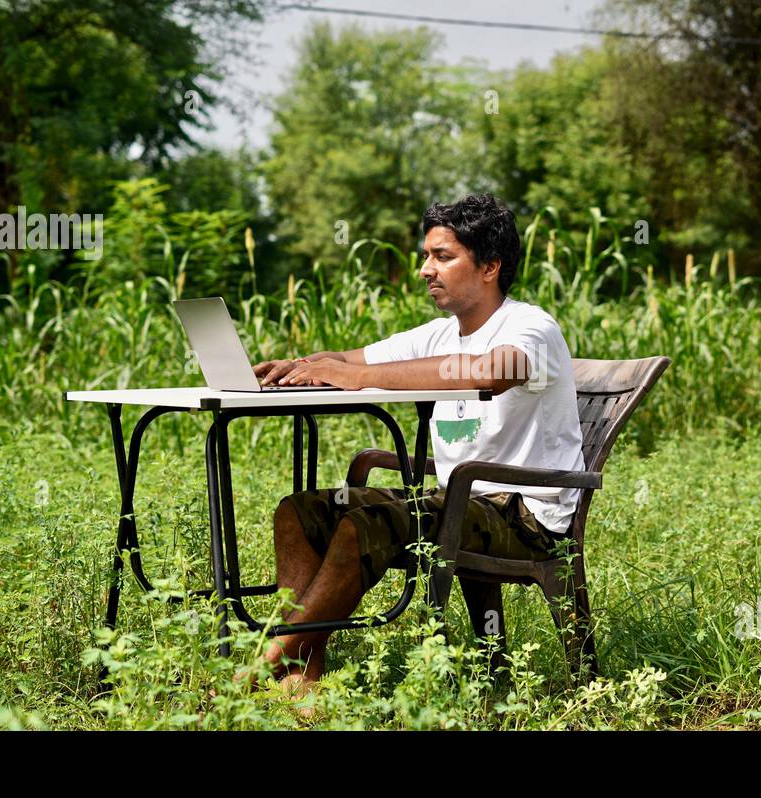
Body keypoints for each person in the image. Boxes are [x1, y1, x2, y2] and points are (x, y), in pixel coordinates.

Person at [246, 193, 585, 697]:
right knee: (301, 511)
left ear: (490, 266)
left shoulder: (529, 327)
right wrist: (302, 365)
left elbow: (493, 372)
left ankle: (262, 666)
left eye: (442, 256)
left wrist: (358, 377)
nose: (426, 269)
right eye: (426, 256)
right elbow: (348, 355)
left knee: (364, 522)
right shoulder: (440, 333)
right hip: (459, 501)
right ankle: (300, 682)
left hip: (522, 513)